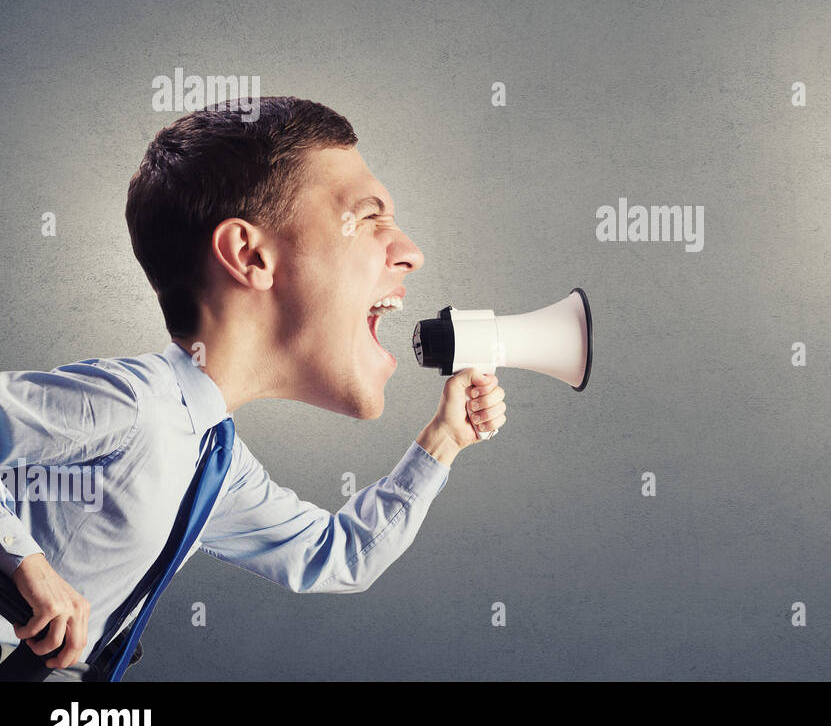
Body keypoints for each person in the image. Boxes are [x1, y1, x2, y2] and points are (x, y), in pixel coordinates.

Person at [0, 97, 506, 678]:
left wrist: (442, 443)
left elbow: (337, 557)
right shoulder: (134, 404)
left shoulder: (213, 462)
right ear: (250, 254)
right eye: (369, 219)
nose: (411, 253)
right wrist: (24, 561)